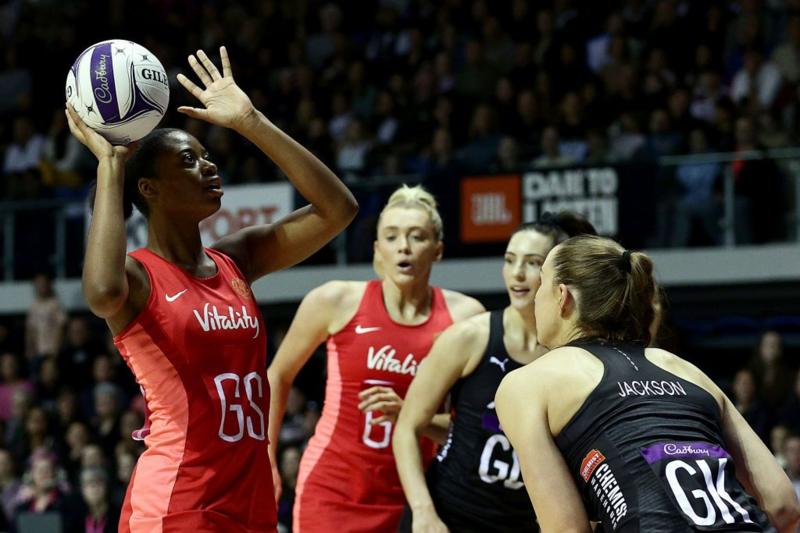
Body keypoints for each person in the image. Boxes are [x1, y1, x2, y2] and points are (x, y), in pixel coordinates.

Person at [67, 46, 357, 533]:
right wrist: (110, 165)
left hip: (250, 501)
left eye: (206, 156)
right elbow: (99, 293)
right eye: (188, 160)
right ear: (150, 190)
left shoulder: (234, 260)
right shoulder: (137, 277)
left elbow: (337, 210)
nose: (208, 166)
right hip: (179, 502)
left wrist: (249, 120)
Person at [496, 235, 800, 532]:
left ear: (562, 296)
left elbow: (566, 528)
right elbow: (784, 506)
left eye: (542, 283)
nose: (535, 296)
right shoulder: (683, 368)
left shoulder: (527, 383)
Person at [267, 185, 484, 532]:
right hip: (332, 491)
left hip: (417, 497)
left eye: (417, 237)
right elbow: (277, 376)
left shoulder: (466, 317)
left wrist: (411, 416)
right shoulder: (334, 300)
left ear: (438, 250)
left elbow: (473, 429)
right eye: (392, 236)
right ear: (377, 249)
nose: (404, 247)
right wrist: (267, 460)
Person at [393, 213, 596, 533]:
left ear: (556, 274)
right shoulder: (469, 337)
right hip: (450, 515)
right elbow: (407, 427)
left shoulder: (573, 356)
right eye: (509, 260)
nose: (516, 273)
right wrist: (423, 513)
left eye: (532, 263)